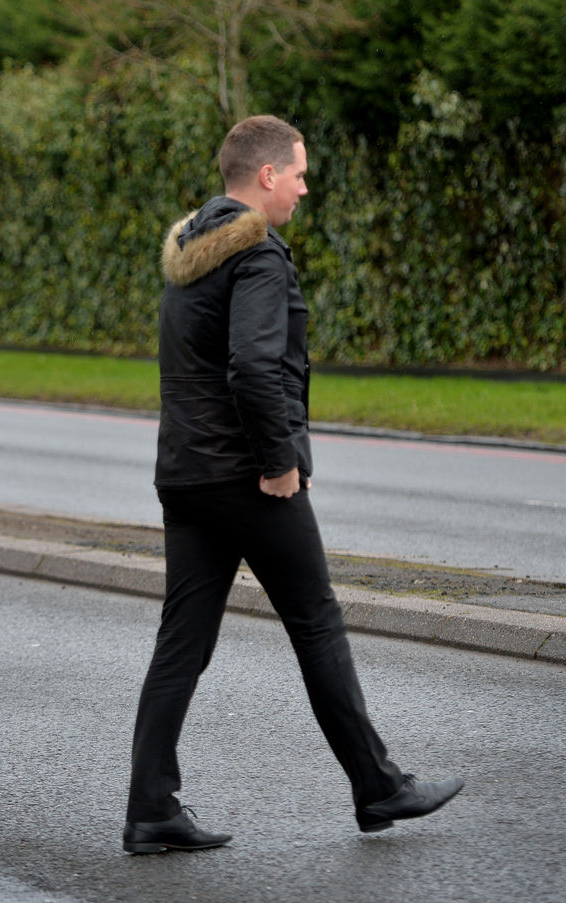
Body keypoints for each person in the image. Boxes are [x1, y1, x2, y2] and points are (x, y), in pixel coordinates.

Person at [122, 116, 463, 853]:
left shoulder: (189, 251)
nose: (306, 188)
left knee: (182, 640)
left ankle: (150, 808)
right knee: (315, 620)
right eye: (299, 173)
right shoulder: (258, 255)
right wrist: (279, 460)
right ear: (266, 175)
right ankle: (379, 785)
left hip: (186, 472)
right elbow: (252, 366)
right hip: (247, 476)